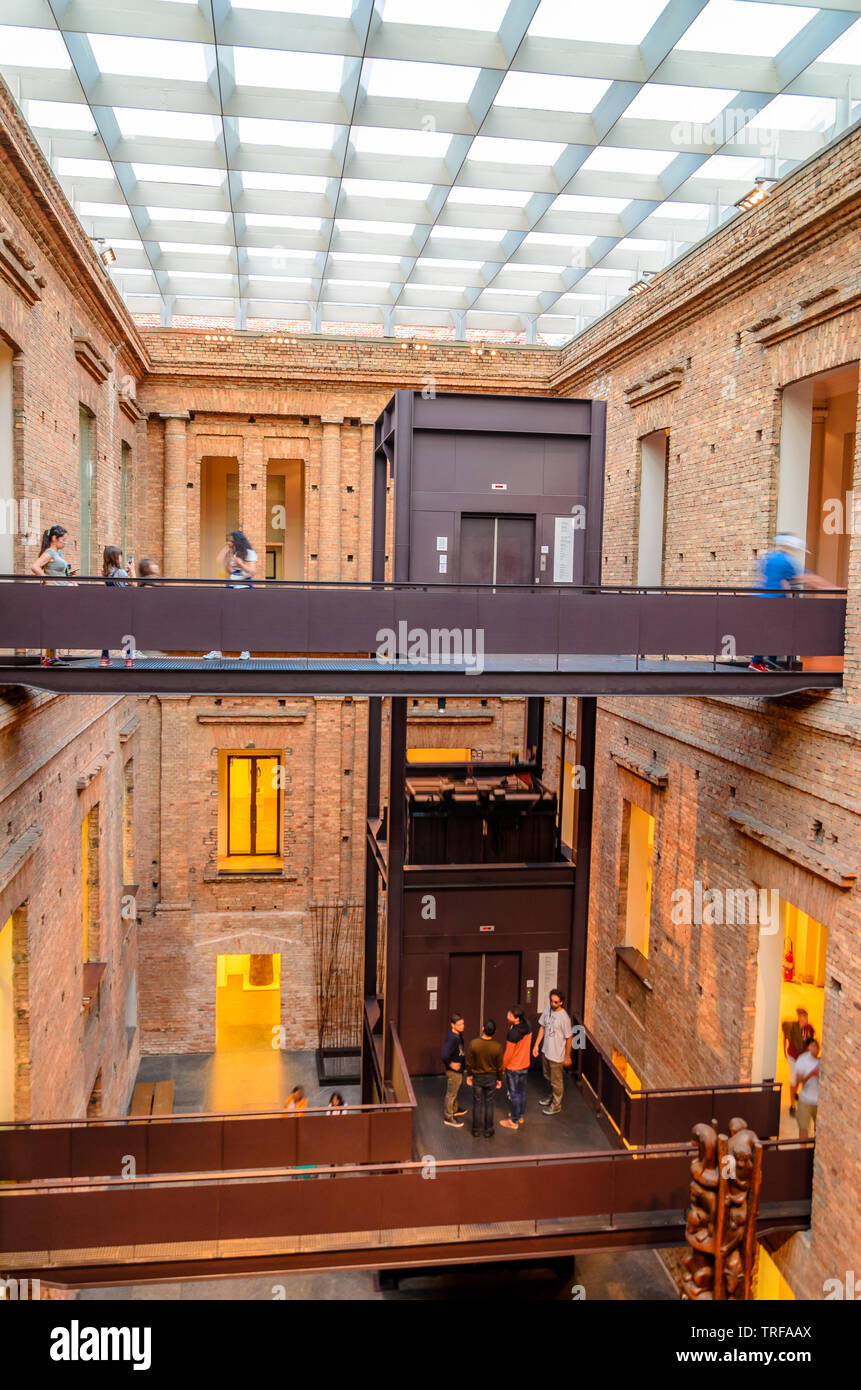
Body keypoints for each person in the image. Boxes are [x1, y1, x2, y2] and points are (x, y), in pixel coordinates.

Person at [749, 533, 831, 671]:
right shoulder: (785, 561)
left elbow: (773, 580)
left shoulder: (768, 557)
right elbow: (806, 578)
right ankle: (762, 662)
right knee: (776, 632)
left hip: (761, 601)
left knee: (770, 632)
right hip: (774, 604)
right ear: (788, 546)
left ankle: (764, 662)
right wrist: (831, 588)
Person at [204, 530, 258, 661]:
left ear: (238, 541)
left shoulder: (250, 553)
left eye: (232, 541)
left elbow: (252, 571)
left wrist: (241, 564)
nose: (230, 543)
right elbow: (228, 569)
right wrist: (226, 552)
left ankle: (245, 650)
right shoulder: (234, 553)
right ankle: (217, 650)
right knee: (222, 619)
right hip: (231, 587)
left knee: (242, 621)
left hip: (244, 588)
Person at [30, 524, 73, 665]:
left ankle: (52, 657)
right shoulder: (50, 552)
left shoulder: (57, 554)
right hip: (53, 594)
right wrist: (47, 582)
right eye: (64, 540)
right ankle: (49, 658)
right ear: (54, 538)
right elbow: (35, 567)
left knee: (56, 624)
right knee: (53, 624)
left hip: (60, 593)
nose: (65, 543)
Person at [533, 989, 573, 1115]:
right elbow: (542, 1028)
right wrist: (536, 1045)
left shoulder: (564, 1018)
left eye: (556, 1002)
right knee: (547, 1076)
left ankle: (556, 1105)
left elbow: (569, 1038)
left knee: (556, 1081)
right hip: (546, 1051)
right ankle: (550, 1097)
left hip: (557, 1055)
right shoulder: (547, 1010)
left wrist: (567, 1056)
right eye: (551, 1001)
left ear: (561, 1003)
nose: (552, 1004)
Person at [465, 1019, 503, 1139]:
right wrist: (499, 1079)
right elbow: (499, 1066)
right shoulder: (497, 1047)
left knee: (477, 1103)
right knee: (489, 1103)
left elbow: (469, 1062)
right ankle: (488, 1130)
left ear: (483, 1028)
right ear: (494, 1032)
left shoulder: (474, 1043)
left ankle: (476, 1130)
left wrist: (469, 1075)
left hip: (478, 1077)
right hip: (491, 1077)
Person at [99, 545, 135, 668]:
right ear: (115, 557)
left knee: (106, 630)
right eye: (120, 556)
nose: (121, 558)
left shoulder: (104, 572)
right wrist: (132, 570)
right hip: (122, 605)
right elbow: (134, 584)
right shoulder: (120, 572)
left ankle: (104, 657)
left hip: (109, 605)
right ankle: (129, 659)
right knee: (128, 630)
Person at [500, 1005, 532, 1130]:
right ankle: (520, 1116)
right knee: (522, 1092)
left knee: (514, 1094)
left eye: (510, 1015)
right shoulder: (527, 1025)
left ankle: (513, 1121)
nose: (507, 1015)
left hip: (514, 1067)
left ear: (516, 1018)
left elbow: (508, 1054)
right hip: (525, 1065)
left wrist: (502, 1067)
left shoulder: (513, 1033)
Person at [782, 1007, 814, 1115]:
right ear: (799, 1018)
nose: (806, 1020)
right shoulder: (793, 1028)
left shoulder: (809, 1028)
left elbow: (811, 1042)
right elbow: (785, 1038)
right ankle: (792, 1105)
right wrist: (784, 1051)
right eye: (804, 1018)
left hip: (803, 1058)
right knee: (793, 1080)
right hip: (794, 1058)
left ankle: (795, 1093)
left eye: (806, 1017)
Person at [441, 1013, 468, 1128]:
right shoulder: (452, 1039)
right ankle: (448, 1116)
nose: (462, 1026)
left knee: (455, 1091)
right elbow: (444, 1055)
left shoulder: (458, 1035)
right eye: (459, 1024)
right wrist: (451, 1064)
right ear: (453, 1025)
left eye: (463, 1023)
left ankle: (455, 1109)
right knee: (451, 1093)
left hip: (459, 1070)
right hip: (454, 1072)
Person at [794, 1036, 820, 1138]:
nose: (816, 1049)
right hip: (805, 1101)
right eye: (813, 1046)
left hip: (818, 1102)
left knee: (818, 1128)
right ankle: (802, 1151)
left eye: (817, 1046)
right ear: (808, 1047)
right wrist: (811, 1075)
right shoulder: (802, 1060)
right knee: (803, 1127)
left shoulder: (821, 1061)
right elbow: (798, 1080)